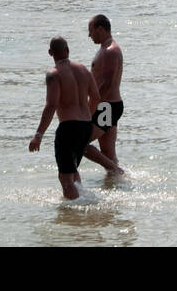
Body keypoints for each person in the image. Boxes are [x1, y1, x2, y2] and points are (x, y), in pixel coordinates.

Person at [28, 37, 117, 199]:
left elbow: (51, 105)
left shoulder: (54, 74)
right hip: (85, 126)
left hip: (68, 128)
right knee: (73, 172)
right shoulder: (84, 70)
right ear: (68, 50)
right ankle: (81, 203)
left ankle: (78, 211)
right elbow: (96, 97)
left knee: (65, 179)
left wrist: (38, 135)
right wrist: (86, 117)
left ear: (50, 53)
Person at [83, 14, 125, 174]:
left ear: (100, 29)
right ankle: (114, 182)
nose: (89, 35)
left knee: (79, 143)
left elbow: (106, 84)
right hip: (107, 107)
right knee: (108, 153)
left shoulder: (110, 51)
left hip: (106, 107)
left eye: (90, 30)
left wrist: (90, 108)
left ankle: (116, 170)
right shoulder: (105, 49)